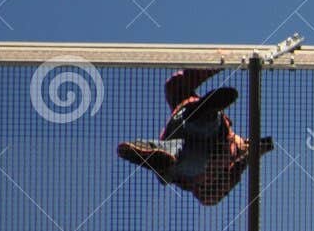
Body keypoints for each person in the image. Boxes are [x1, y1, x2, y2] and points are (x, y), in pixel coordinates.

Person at [117, 61, 273, 207]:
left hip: (191, 149)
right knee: (200, 136)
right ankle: (204, 113)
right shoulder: (231, 153)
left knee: (188, 152)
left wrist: (219, 63)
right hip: (200, 143)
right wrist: (220, 63)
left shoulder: (232, 154)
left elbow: (177, 82)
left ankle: (161, 152)